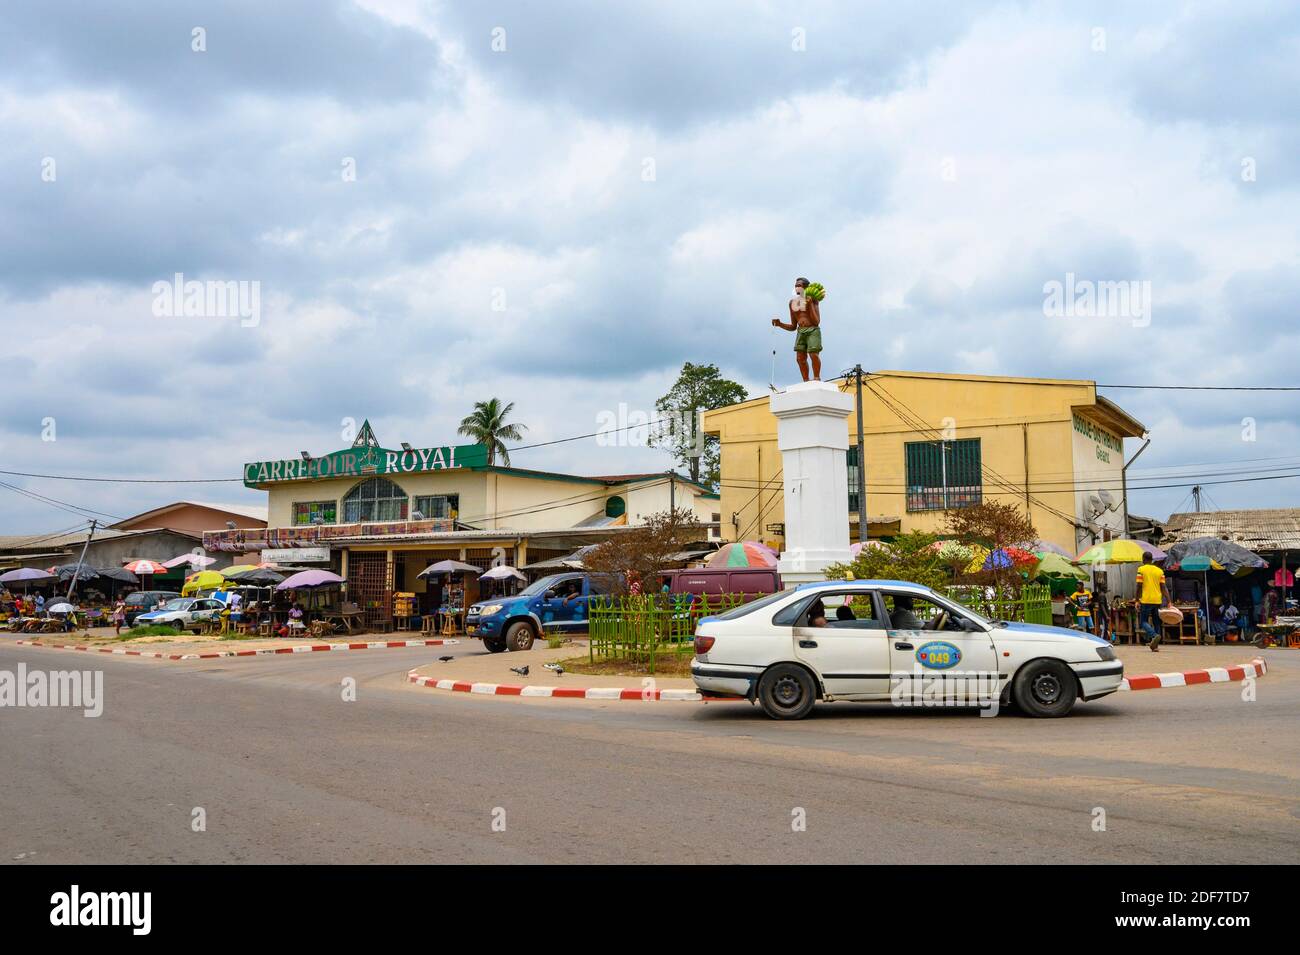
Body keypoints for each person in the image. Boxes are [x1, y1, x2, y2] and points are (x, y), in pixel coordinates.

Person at [771, 277, 823, 382]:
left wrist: (809, 305)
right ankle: (805, 380)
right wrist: (780, 324)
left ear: (806, 287)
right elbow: (793, 326)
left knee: (813, 354)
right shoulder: (792, 303)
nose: (797, 287)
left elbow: (816, 321)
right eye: (796, 286)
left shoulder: (813, 300)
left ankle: (816, 377)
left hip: (812, 330)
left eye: (799, 285)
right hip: (801, 331)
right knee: (800, 358)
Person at [1135, 551, 1172, 651]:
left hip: (1146, 600)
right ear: (1152, 559)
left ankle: (1154, 635)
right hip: (1157, 600)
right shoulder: (1159, 571)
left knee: (1143, 622)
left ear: (1143, 559)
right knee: (1156, 622)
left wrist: (1137, 600)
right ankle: (1155, 646)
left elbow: (1139, 585)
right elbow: (1163, 587)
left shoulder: (1141, 569)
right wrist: (1169, 601)